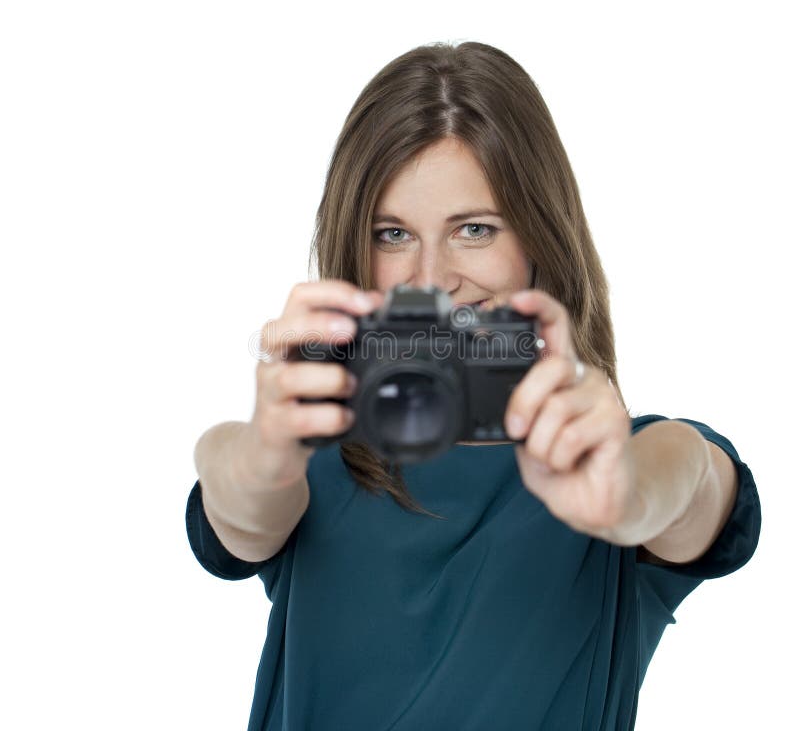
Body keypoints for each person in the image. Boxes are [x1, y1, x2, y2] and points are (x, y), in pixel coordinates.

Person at [185, 41, 761, 730]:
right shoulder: (310, 463)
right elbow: (235, 496)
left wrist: (627, 494)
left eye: (475, 229)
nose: (431, 277)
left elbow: (693, 481)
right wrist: (260, 456)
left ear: (538, 245)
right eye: (393, 234)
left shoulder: (616, 455)